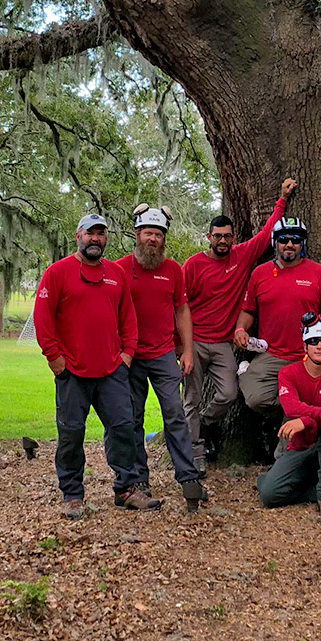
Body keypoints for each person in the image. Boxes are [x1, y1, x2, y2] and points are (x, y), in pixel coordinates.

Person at [33, 214, 156, 520]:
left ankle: (126, 489)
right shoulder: (57, 273)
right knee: (71, 433)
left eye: (101, 234)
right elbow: (43, 319)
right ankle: (73, 494)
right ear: (78, 235)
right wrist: (54, 358)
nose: (95, 239)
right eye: (90, 233)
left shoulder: (115, 274)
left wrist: (127, 353)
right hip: (72, 371)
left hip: (112, 370)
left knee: (123, 429)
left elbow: (128, 317)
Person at [182, 178, 295, 472]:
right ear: (208, 237)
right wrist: (180, 346)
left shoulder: (242, 256)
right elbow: (178, 307)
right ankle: (194, 458)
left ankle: (206, 424)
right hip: (194, 342)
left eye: (227, 236)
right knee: (190, 399)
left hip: (222, 344)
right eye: (217, 236)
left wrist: (281, 201)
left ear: (233, 237)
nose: (222, 241)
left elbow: (267, 232)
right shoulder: (193, 266)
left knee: (229, 394)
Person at [116, 204, 207, 512]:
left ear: (163, 238)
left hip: (164, 354)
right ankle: (138, 481)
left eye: (157, 234)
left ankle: (189, 478)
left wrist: (187, 349)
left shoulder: (173, 270)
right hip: (129, 359)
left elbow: (182, 310)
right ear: (137, 235)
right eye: (147, 233)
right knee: (132, 420)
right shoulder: (119, 270)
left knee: (175, 415)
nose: (152, 239)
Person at [235, 216, 321, 428]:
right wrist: (240, 328)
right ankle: (294, 412)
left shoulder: (317, 272)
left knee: (320, 399)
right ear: (275, 242)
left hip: (309, 356)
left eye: (295, 240)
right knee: (256, 398)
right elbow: (248, 310)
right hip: (271, 354)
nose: (290, 244)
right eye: (284, 239)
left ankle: (290, 436)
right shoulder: (260, 273)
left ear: (302, 244)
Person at [256, 312, 321, 525]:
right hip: (300, 445)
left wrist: (305, 419)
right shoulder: (288, 373)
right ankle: (316, 488)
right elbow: (291, 407)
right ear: (305, 346)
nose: (320, 346)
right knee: (268, 495)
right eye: (313, 342)